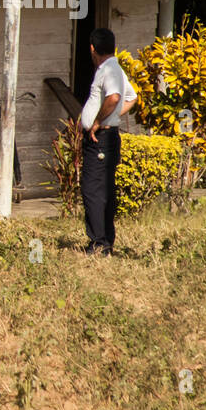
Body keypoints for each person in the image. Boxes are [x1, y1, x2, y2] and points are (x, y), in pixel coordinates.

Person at [79, 27, 128, 256]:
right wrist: (114, 116)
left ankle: (99, 242)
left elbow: (115, 97)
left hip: (101, 138)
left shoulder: (109, 69)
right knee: (102, 189)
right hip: (104, 137)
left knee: (93, 190)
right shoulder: (113, 68)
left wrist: (99, 122)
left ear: (92, 48)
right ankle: (104, 241)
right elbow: (132, 97)